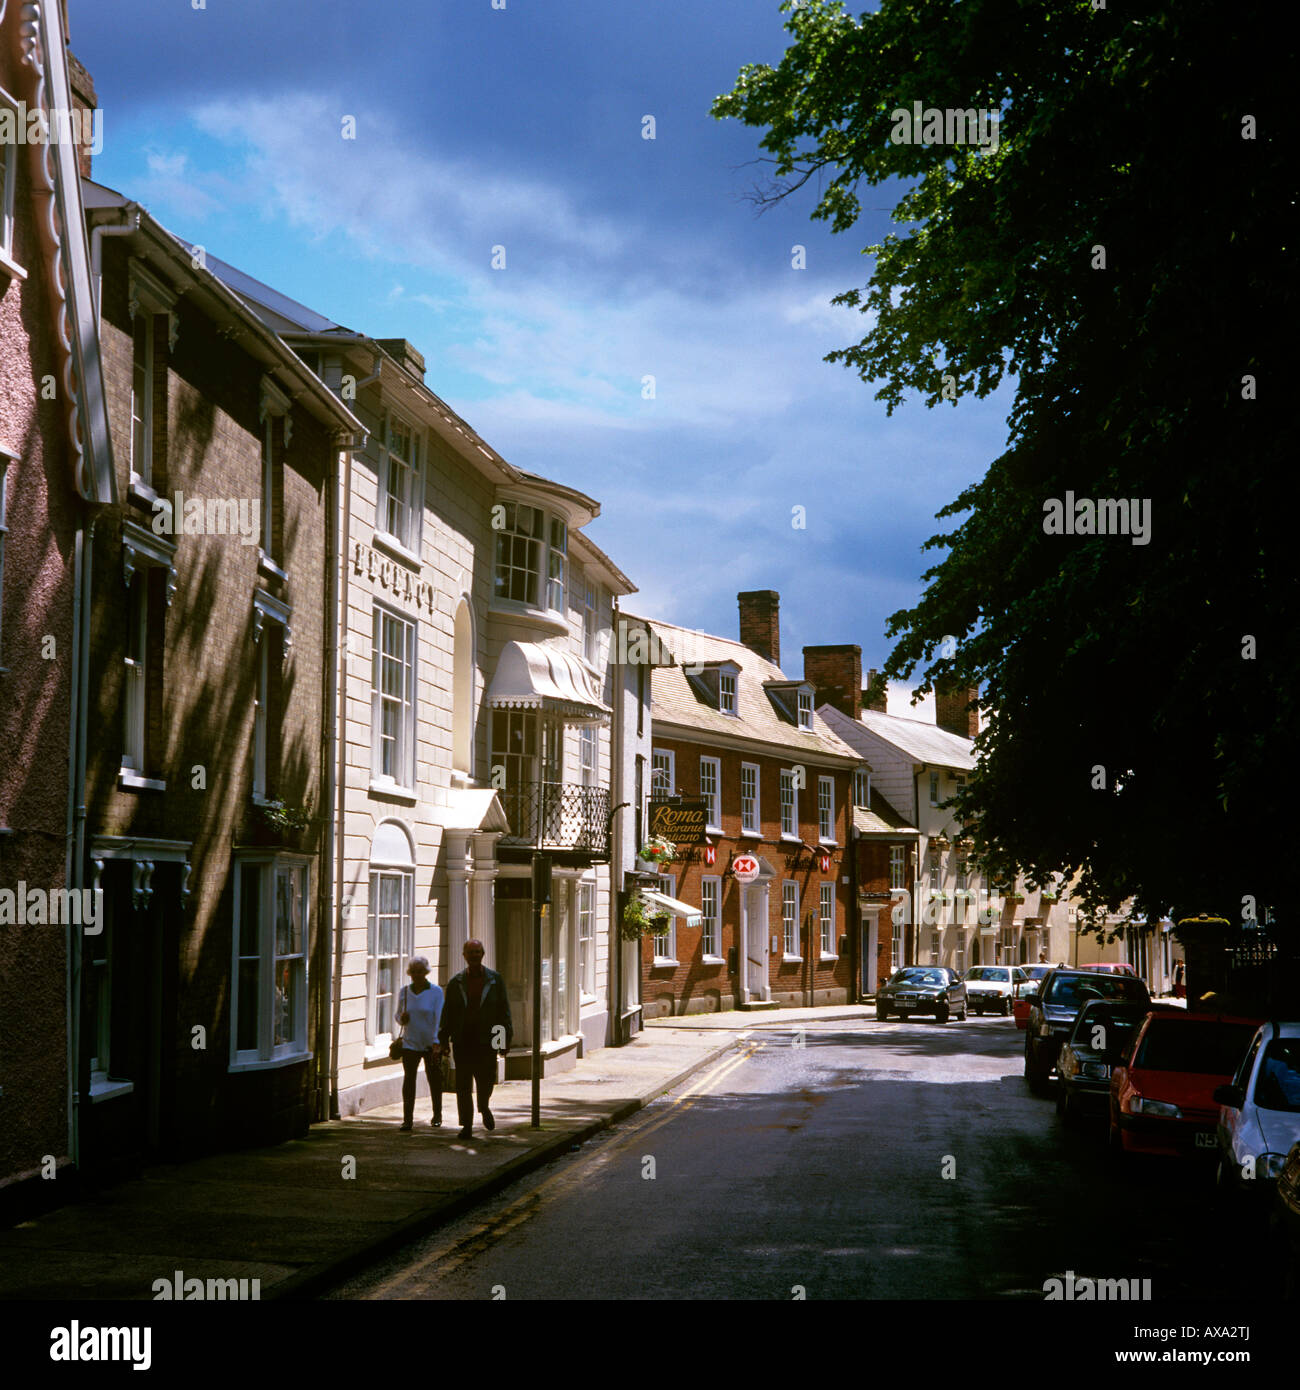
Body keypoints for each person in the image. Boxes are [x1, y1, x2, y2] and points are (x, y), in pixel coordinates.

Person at [439, 938, 513, 1141]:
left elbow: (503, 1013)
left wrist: (503, 1041)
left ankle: (484, 1106)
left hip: (487, 1042)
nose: (474, 956)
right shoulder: (456, 983)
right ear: (464, 956)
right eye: (470, 953)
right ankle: (467, 1126)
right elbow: (448, 1013)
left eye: (477, 952)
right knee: (462, 1086)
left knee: (486, 1081)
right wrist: (444, 1040)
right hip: (463, 1041)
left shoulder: (495, 980)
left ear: (483, 954)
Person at [396, 956, 444, 1132]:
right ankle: (407, 1120)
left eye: (420, 972)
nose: (416, 975)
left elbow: (439, 1017)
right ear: (410, 973)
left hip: (430, 1044)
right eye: (413, 972)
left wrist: (437, 1042)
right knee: (409, 1080)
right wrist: (401, 1018)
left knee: (435, 1080)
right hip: (410, 1042)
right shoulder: (405, 992)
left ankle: (437, 1115)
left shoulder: (436, 992)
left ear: (426, 973)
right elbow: (398, 1016)